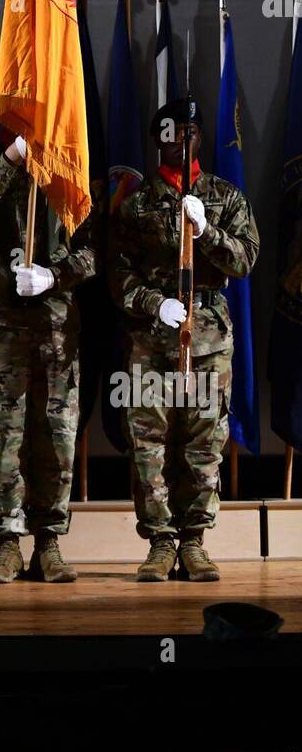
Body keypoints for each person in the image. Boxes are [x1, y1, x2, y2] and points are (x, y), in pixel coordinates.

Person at [108, 98, 260, 582]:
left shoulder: (224, 197)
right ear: (158, 139)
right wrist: (155, 304)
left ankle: (194, 541)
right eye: (172, 131)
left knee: (203, 443)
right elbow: (117, 275)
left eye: (191, 130)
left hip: (209, 343)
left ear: (199, 138)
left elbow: (244, 261)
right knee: (148, 444)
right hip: (150, 343)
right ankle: (160, 542)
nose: (182, 138)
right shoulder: (134, 204)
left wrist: (208, 229)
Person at [0, 135, 102, 584]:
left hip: (56, 329)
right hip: (0, 329)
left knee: (57, 438)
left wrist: (54, 276)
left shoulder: (70, 167)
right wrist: (12, 158)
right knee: (5, 437)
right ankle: (8, 543)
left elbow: (93, 253)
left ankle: (49, 542)